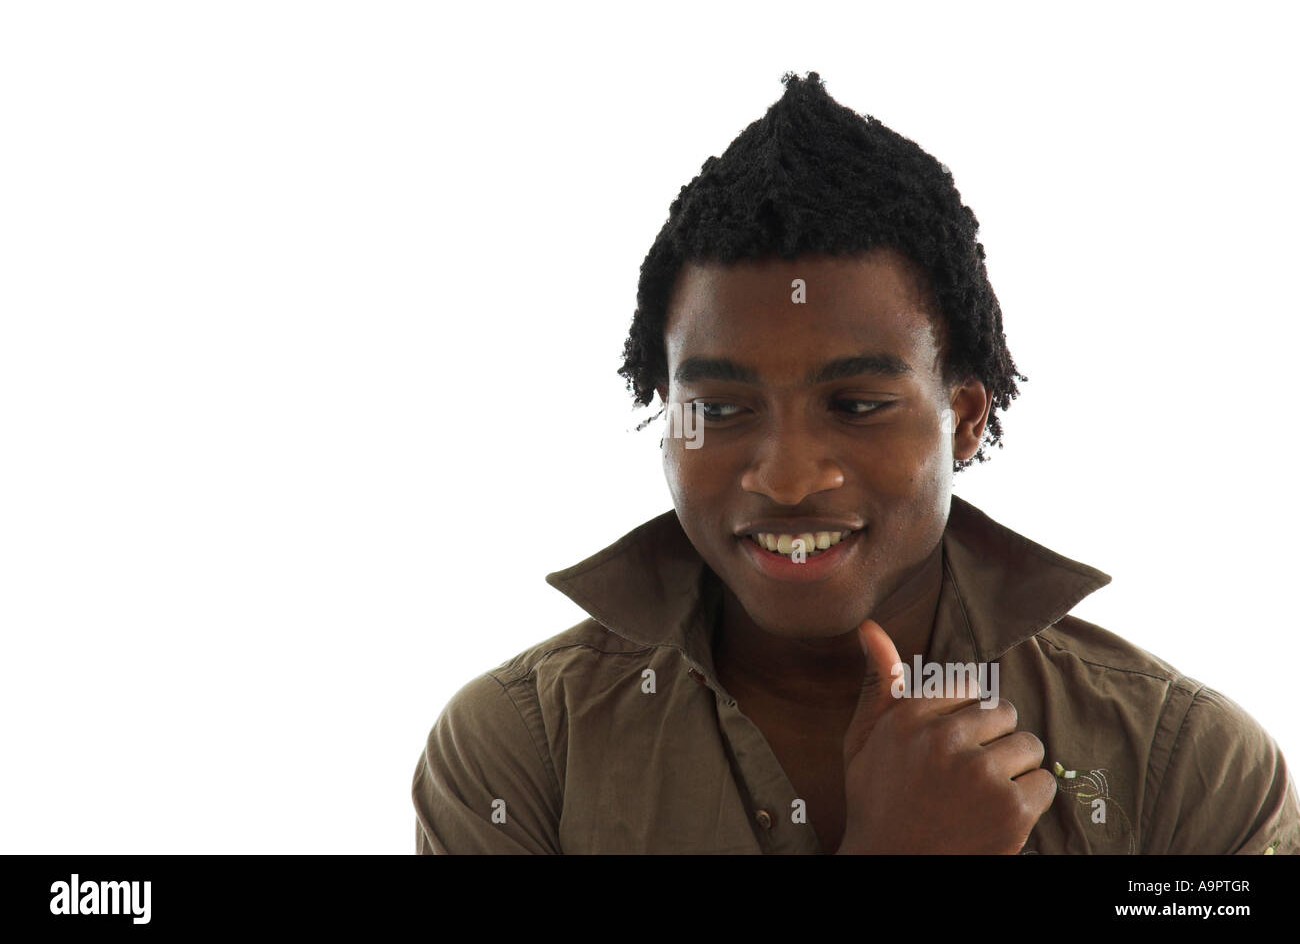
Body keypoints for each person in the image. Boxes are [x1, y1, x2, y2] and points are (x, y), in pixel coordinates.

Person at [411, 71, 1299, 854]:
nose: (789, 479)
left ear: (964, 417)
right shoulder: (522, 751)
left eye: (857, 404)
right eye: (719, 410)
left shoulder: (1183, 766)